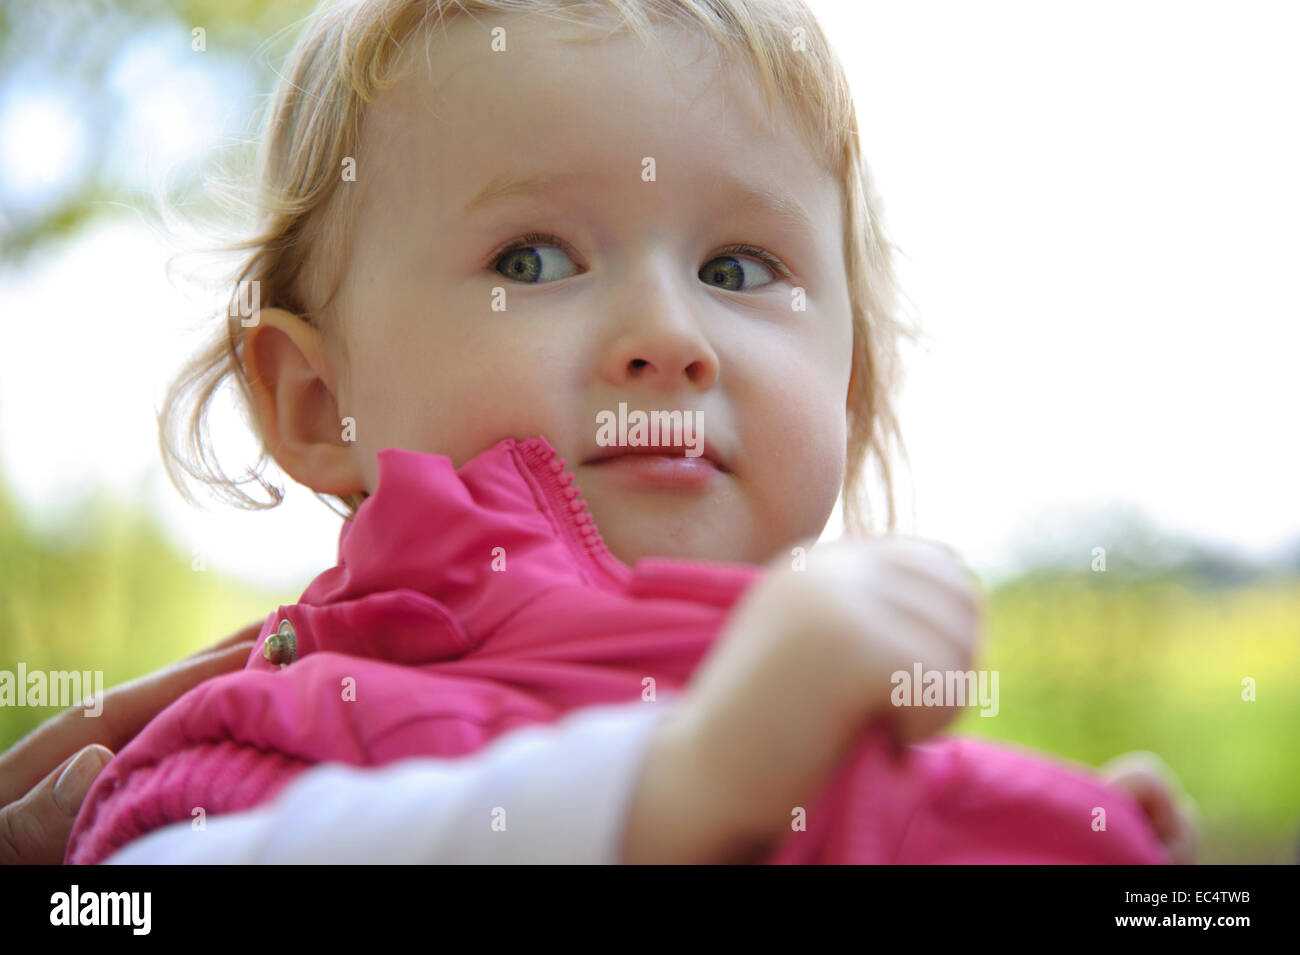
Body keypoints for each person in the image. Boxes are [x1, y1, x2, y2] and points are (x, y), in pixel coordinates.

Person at [20, 0, 1199, 865]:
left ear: (850, 379)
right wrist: (681, 783)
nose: (668, 334)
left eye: (739, 266)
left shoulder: (838, 708)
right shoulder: (299, 719)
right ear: (320, 403)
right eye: (531, 261)